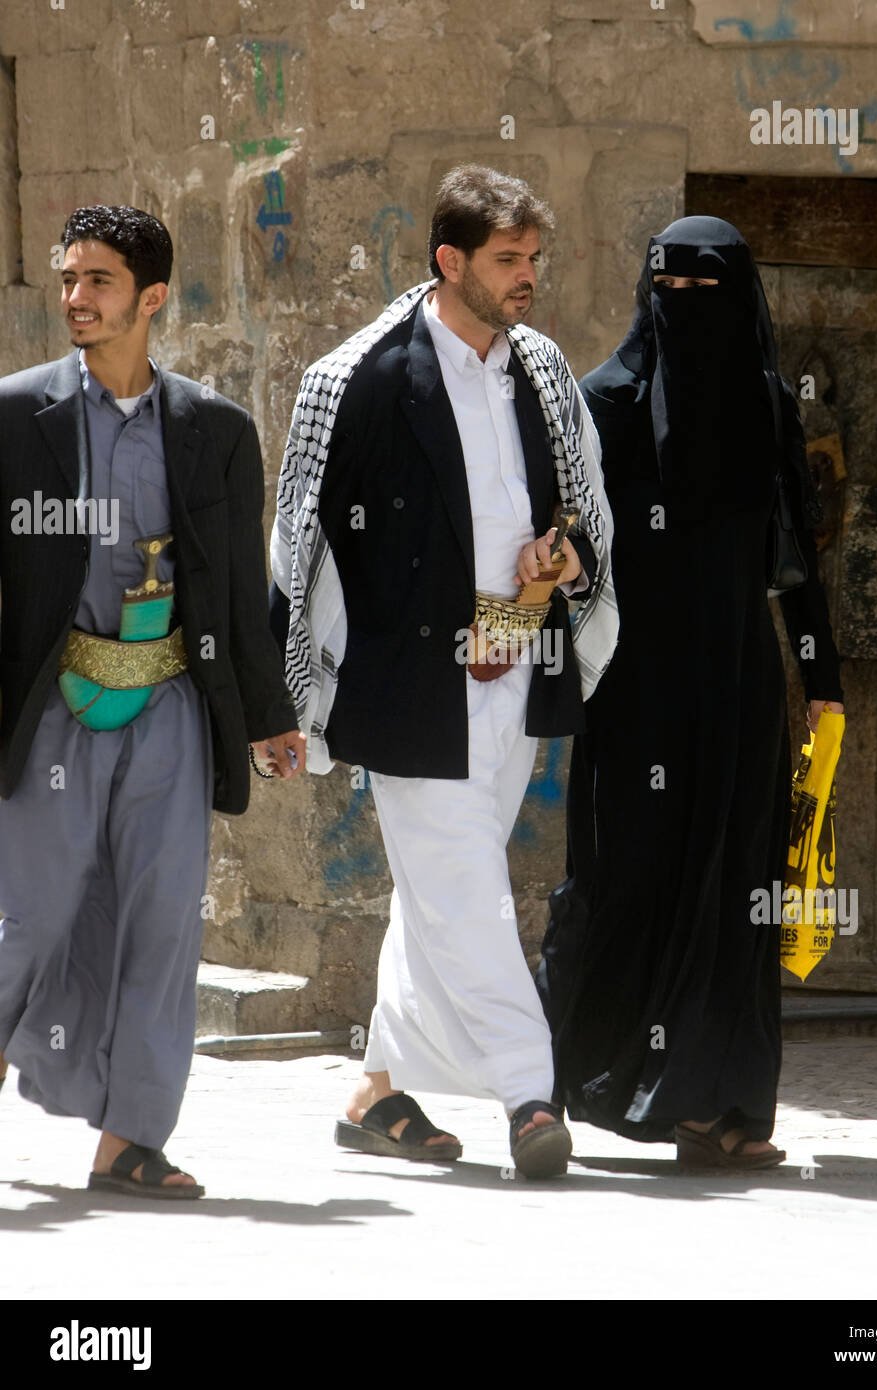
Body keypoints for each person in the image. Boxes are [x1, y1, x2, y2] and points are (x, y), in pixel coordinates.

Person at [270, 165, 617, 1178]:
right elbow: (301, 542)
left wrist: (560, 559)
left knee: (436, 887)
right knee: (464, 884)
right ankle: (528, 1091)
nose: (526, 278)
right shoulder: (359, 377)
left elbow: (579, 505)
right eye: (508, 261)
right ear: (448, 261)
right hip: (407, 683)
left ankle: (377, 1091)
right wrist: (289, 691)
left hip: (519, 657)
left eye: (533, 260)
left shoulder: (540, 369)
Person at [0, 205, 305, 1198]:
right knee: (29, 917)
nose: (77, 298)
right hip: (53, 709)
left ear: (152, 298)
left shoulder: (213, 429)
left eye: (99, 281)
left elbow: (236, 591)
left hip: (170, 705)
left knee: (163, 920)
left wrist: (268, 712)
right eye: (69, 277)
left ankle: (131, 1138)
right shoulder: (16, 416)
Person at [537, 215, 845, 1168]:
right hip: (632, 689)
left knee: (735, 890)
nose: (682, 308)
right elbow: (563, 557)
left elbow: (792, 559)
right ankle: (548, 1091)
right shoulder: (605, 404)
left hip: (740, 685)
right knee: (623, 878)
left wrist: (821, 681)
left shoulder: (763, 406)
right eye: (665, 289)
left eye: (704, 291)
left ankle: (723, 1111)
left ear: (738, 295)